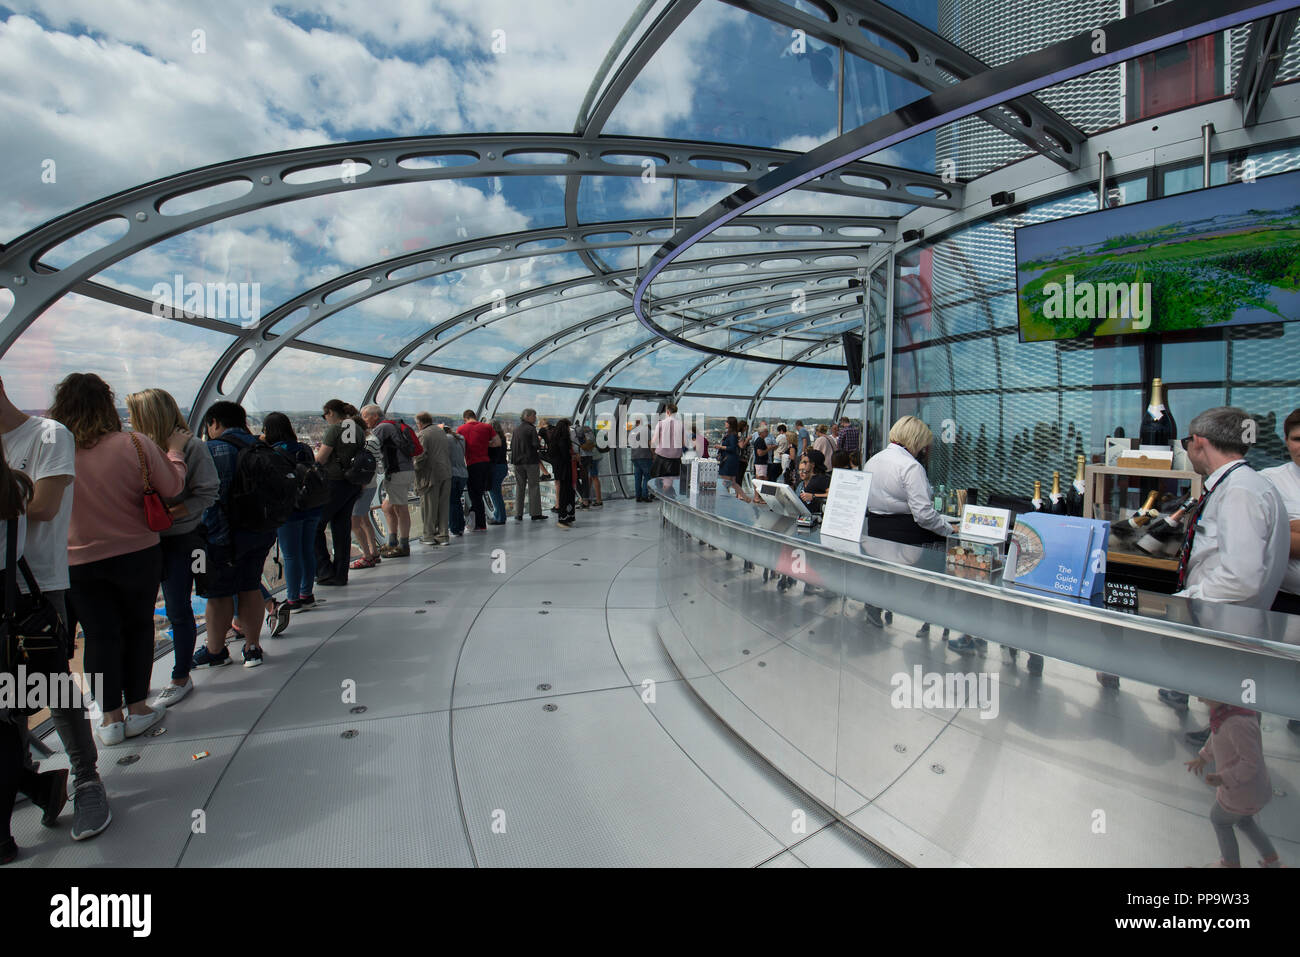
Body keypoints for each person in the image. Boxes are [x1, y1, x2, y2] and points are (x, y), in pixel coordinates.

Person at [0, 376, 111, 839]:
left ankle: (86, 778)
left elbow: (43, 507)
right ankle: (24, 776)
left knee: (53, 689)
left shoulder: (49, 435)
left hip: (38, 585)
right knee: (9, 694)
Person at [51, 373, 187, 744]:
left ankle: (109, 719)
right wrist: (175, 452)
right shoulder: (134, 444)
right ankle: (137, 709)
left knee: (99, 636)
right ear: (106, 404)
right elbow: (173, 487)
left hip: (76, 561)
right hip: (136, 553)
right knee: (138, 628)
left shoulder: (54, 452)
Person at [1157, 407, 1289, 726]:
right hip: (1229, 627)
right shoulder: (1243, 484)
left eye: (1186, 443)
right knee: (1225, 725)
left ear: (1198, 442)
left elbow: (1241, 579)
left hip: (1228, 627)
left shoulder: (1240, 492)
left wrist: (1186, 601)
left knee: (1231, 729)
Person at [126, 389, 219, 709]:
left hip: (180, 538)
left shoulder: (190, 448)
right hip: (155, 538)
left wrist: (166, 516)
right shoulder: (140, 447)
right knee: (153, 611)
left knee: (178, 605)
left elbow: (207, 492)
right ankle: (152, 680)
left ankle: (180, 675)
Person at [191, 401, 281, 670]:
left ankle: (216, 650)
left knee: (218, 595)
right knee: (250, 586)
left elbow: (203, 497)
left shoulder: (210, 451)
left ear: (214, 423)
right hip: (260, 531)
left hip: (221, 536)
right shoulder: (261, 447)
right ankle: (252, 647)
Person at [862, 416, 960, 641]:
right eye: (925, 444)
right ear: (917, 441)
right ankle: (935, 618)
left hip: (877, 531)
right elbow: (924, 515)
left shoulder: (872, 461)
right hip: (908, 536)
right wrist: (948, 530)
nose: (925, 450)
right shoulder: (910, 467)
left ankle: (876, 610)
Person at [1185, 698, 1283, 868]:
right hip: (1256, 790)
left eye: (1204, 695)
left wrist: (1223, 778)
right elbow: (1217, 735)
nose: (1199, 700)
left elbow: (1251, 762)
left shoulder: (1235, 723)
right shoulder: (1232, 713)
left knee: (1219, 819)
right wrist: (1204, 756)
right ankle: (1272, 860)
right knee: (1245, 821)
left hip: (1241, 792)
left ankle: (1229, 863)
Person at [261, 412, 322, 613]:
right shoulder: (304, 448)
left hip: (290, 510)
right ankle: (306, 593)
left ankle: (293, 598)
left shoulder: (273, 453)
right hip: (312, 504)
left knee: (291, 555)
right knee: (307, 550)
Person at [314, 399, 365, 585]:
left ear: (331, 412)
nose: (325, 418)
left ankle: (324, 570)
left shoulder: (335, 430)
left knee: (315, 525)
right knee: (342, 528)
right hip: (353, 484)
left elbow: (321, 458)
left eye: (324, 415)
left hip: (334, 482)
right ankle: (340, 573)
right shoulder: (357, 429)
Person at [1261, 408, 1300, 617]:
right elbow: (1266, 540)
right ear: (1286, 440)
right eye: (1298, 439)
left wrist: (1290, 527)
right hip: (1286, 602)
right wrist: (1285, 534)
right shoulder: (1269, 481)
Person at [360, 405, 415, 557]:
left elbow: (368, 447)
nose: (364, 421)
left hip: (397, 471)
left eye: (365, 417)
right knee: (387, 507)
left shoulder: (381, 428)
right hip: (405, 470)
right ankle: (392, 541)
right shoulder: (392, 425)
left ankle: (403, 545)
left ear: (375, 416)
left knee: (400, 508)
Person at [413, 412, 451, 545]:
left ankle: (428, 535)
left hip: (431, 475)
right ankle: (443, 535)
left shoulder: (423, 434)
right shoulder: (440, 432)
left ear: (420, 423)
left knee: (429, 507)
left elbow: (420, 456)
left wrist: (415, 467)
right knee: (443, 506)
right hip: (446, 472)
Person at [350, 428, 383, 569]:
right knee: (364, 519)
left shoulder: (366, 444)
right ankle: (373, 552)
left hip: (364, 485)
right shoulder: (374, 441)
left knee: (355, 523)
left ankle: (367, 556)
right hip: (371, 483)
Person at [457, 410, 495, 532]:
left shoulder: (461, 429)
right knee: (480, 493)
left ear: (465, 418)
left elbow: (459, 448)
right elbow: (497, 442)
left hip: (472, 464)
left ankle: (480, 523)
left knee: (475, 495)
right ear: (475, 417)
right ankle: (480, 522)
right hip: (486, 463)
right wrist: (484, 444)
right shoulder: (487, 427)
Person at [511, 409, 547, 520]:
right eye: (534, 416)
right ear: (527, 416)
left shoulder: (516, 430)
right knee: (534, 487)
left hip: (517, 462)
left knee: (520, 487)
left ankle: (518, 514)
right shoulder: (531, 429)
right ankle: (535, 513)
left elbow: (512, 445)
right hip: (530, 461)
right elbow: (536, 445)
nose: (535, 418)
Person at [549, 418, 577, 526]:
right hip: (566, 470)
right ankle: (565, 516)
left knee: (564, 493)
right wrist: (573, 457)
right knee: (567, 493)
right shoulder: (563, 440)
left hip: (560, 470)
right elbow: (566, 456)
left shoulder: (554, 440)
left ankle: (564, 516)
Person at [651, 403, 685, 478]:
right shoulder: (681, 425)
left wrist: (653, 453)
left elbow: (654, 442)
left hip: (661, 458)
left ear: (668, 412)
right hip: (676, 459)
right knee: (673, 482)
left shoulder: (661, 423)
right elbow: (683, 443)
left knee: (657, 482)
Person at [446, 426, 468, 537]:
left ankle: (455, 527)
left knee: (452, 502)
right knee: (456, 501)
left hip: (452, 473)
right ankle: (460, 526)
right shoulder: (460, 439)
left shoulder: (445, 439)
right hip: (463, 473)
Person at [487, 419, 510, 522]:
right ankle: (498, 515)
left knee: (495, 493)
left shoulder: (493, 439)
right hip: (503, 466)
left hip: (496, 467)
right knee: (496, 492)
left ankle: (500, 517)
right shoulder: (502, 438)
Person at [631, 416, 654, 502]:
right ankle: (645, 495)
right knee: (647, 476)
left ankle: (638, 496)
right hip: (645, 456)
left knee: (638, 477)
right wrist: (653, 454)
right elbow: (650, 443)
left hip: (634, 456)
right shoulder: (645, 430)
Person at [718, 417, 742, 485]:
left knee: (727, 482)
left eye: (727, 422)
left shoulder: (732, 435)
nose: (725, 423)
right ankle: (743, 496)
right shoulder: (731, 434)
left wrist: (720, 447)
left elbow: (732, 448)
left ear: (730, 424)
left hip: (728, 461)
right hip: (729, 459)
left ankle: (725, 495)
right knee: (732, 483)